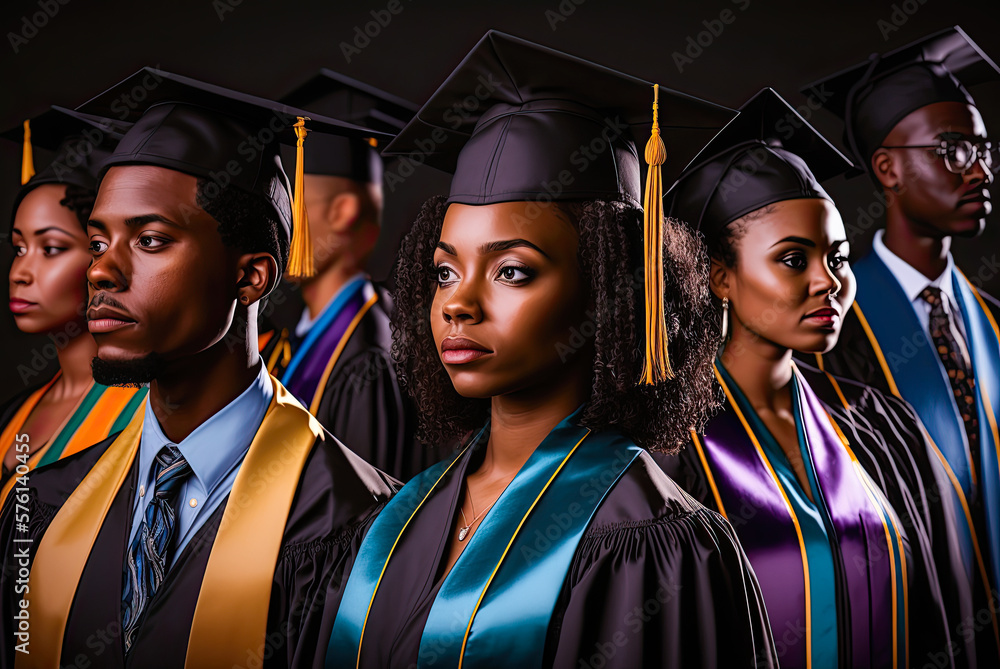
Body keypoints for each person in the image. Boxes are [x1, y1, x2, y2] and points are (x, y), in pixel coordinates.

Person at [327, 31, 776, 669]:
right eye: (445, 271)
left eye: (511, 270)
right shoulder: (401, 512)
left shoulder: (653, 540)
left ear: (611, 289)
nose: (458, 303)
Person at [0, 69, 395, 668]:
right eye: (99, 241)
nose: (101, 271)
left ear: (251, 275)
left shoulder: (354, 524)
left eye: (151, 240)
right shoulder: (46, 503)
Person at [660, 88, 954, 668]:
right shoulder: (663, 443)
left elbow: (939, 614)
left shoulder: (879, 423)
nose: (829, 282)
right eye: (795, 259)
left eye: (839, 258)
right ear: (719, 276)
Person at [804, 26, 1000, 664]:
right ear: (886, 168)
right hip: (913, 629)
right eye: (952, 150)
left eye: (983, 149)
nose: (980, 170)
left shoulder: (996, 323)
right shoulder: (829, 334)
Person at [257, 69, 427, 480]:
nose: (276, 218)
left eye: (290, 198)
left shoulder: (368, 359)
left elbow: (363, 517)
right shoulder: (291, 338)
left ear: (342, 213)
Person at [0, 107, 146, 496]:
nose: (20, 273)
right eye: (18, 248)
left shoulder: (147, 416)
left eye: (51, 248)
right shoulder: (15, 413)